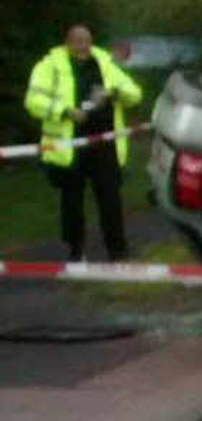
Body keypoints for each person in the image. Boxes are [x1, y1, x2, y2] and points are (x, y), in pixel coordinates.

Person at [24, 25, 143, 261]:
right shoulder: (49, 66)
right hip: (69, 147)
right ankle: (75, 250)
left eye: (87, 41)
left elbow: (134, 93)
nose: (83, 47)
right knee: (71, 202)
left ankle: (117, 250)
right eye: (78, 42)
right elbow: (33, 101)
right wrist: (66, 112)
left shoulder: (105, 62)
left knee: (110, 198)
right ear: (67, 42)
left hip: (104, 143)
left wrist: (113, 93)